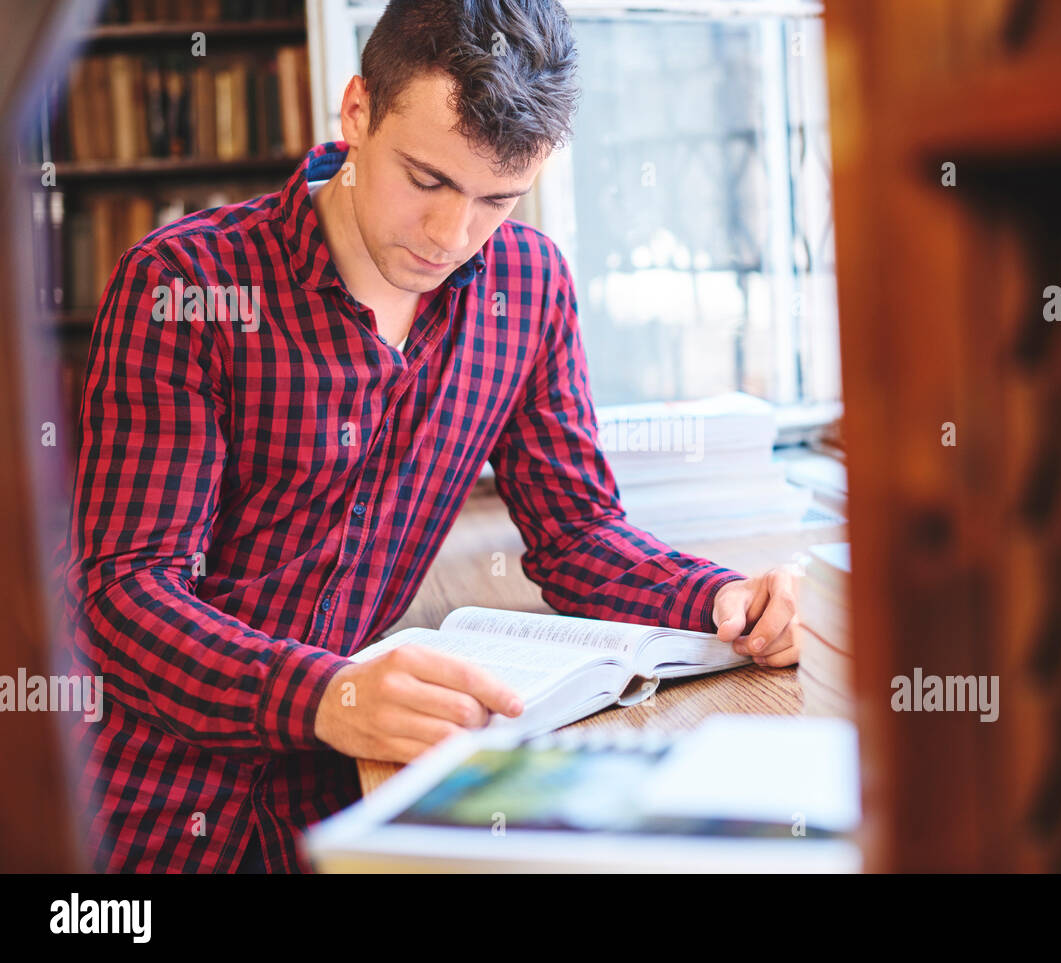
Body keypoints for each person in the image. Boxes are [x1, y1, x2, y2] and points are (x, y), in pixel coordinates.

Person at [58, 0, 802, 873]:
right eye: (427, 180)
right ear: (358, 112)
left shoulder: (529, 289)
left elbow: (577, 534)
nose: (454, 236)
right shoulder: (186, 283)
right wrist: (324, 694)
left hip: (362, 779)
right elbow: (122, 593)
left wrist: (715, 601)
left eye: (498, 198)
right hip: (154, 793)